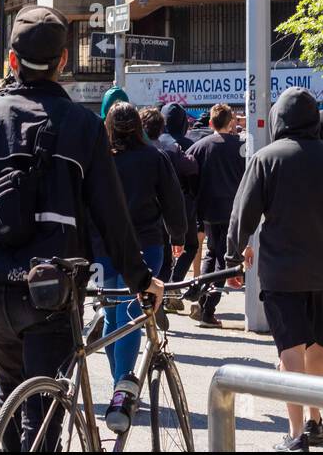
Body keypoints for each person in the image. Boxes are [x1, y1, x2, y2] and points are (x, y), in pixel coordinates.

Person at [0, 7, 164, 451]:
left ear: (11, 62)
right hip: (51, 294)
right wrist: (141, 280)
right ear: (64, 60)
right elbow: (112, 216)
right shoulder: (84, 126)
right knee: (43, 423)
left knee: (14, 413)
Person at [227, 88, 323, 450]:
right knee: (317, 343)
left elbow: (243, 215)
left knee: (290, 349)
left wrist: (232, 257)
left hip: (281, 270)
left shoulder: (266, 158)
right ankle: (315, 419)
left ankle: (295, 432)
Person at [99, 102, 189, 430]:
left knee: (112, 314)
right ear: (138, 126)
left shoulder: (101, 160)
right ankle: (122, 388)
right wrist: (178, 234)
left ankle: (119, 386)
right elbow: (172, 201)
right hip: (146, 245)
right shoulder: (154, 158)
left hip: (104, 248)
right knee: (131, 314)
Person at [187, 103, 246, 328]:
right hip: (232, 209)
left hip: (208, 209)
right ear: (231, 122)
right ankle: (208, 308)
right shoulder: (241, 145)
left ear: (211, 122)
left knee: (212, 254)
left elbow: (188, 171)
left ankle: (203, 301)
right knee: (223, 257)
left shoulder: (200, 147)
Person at [141, 106, 200, 297]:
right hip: (174, 208)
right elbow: (191, 169)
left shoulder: (131, 150)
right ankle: (168, 289)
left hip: (142, 217)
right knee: (179, 251)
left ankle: (159, 292)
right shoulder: (175, 147)